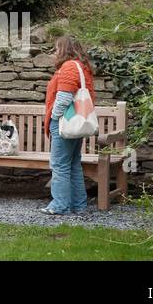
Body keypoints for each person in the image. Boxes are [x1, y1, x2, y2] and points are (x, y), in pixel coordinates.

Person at [42, 36, 96, 215]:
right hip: (76, 123)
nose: (54, 53)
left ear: (64, 50)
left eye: (57, 48)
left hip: (65, 124)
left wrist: (55, 118)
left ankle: (60, 205)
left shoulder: (68, 67)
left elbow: (64, 98)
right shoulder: (83, 67)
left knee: (59, 165)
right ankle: (79, 205)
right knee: (73, 164)